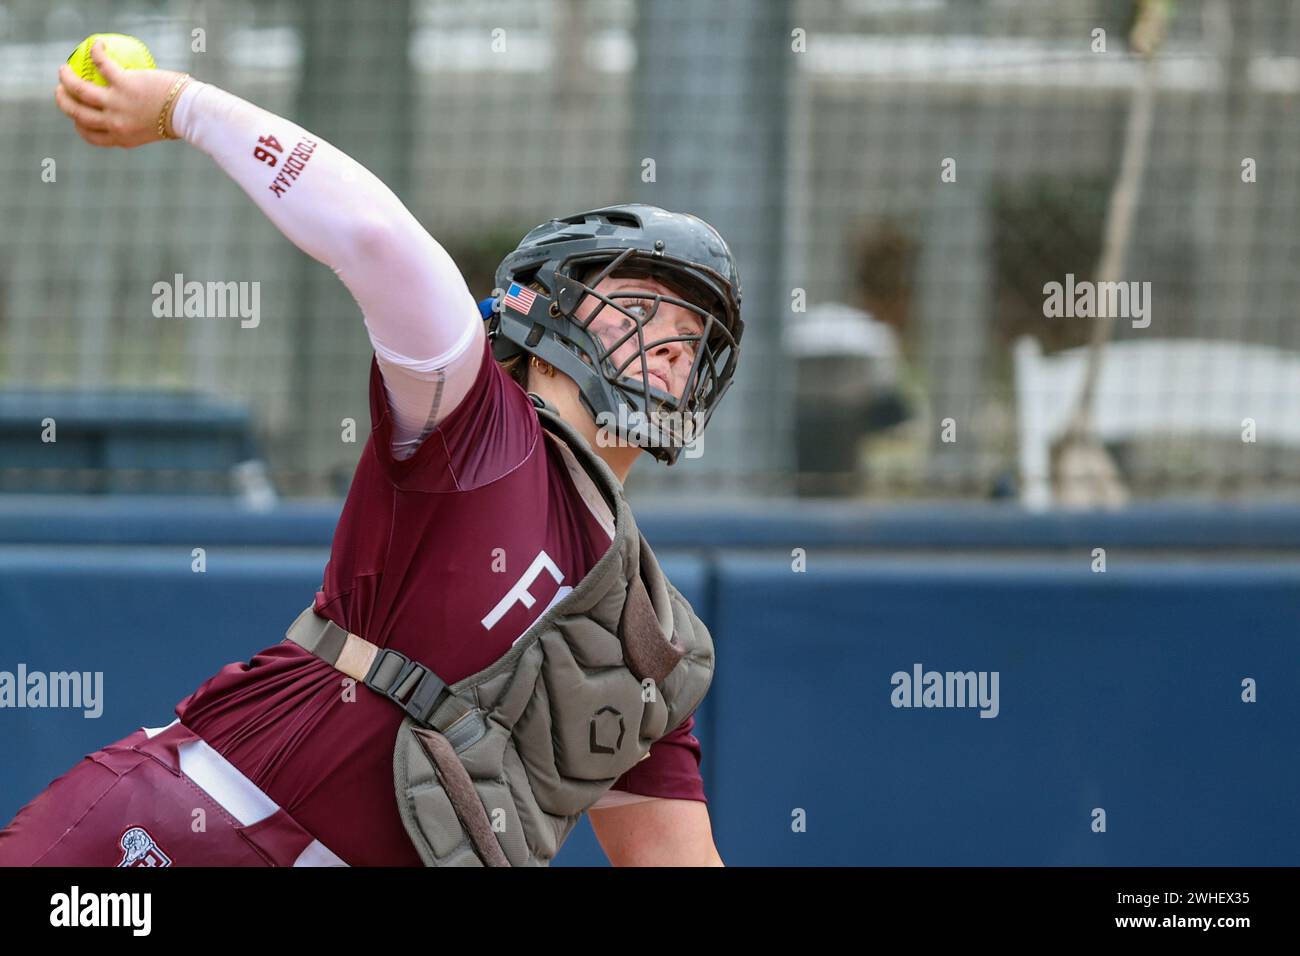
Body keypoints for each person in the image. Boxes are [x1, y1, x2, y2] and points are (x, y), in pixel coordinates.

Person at [0, 40, 742, 867]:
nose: (672, 344)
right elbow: (373, 235)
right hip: (187, 828)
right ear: (544, 314)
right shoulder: (476, 426)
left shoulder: (649, 637)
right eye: (640, 305)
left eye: (692, 331)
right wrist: (182, 105)